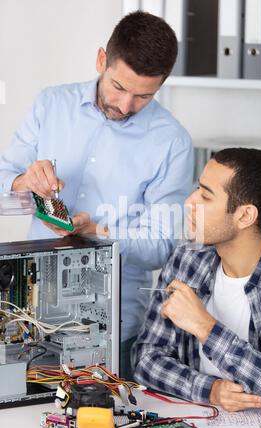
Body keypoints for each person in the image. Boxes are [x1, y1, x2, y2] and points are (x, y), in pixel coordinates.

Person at [0, 11, 193, 379]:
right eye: (119, 87)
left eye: (143, 96)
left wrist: (98, 232)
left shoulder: (172, 142)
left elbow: (162, 245)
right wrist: (23, 181)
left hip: (111, 329)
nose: (125, 106)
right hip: (29, 316)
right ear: (102, 59)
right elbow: (3, 182)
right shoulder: (50, 104)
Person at [133, 148, 261, 417]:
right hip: (199, 423)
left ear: (245, 216)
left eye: (205, 196)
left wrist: (206, 327)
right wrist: (210, 390)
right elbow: (145, 359)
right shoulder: (186, 260)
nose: (189, 201)